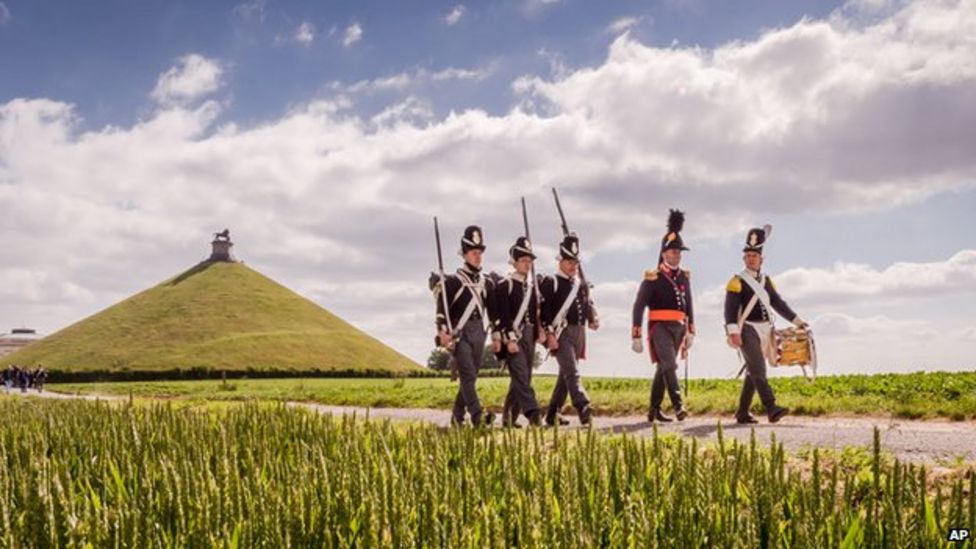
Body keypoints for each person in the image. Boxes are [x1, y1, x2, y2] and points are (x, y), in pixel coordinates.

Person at [724, 225, 808, 424]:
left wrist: (797, 321)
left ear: (762, 259)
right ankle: (771, 407)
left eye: (754, 255)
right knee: (759, 369)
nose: (751, 258)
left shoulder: (766, 281)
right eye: (748, 256)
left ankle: (743, 413)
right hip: (747, 329)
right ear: (744, 259)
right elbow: (729, 310)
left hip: (765, 330)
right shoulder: (736, 282)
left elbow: (778, 303)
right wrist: (733, 332)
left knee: (753, 372)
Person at [631, 209, 695, 423]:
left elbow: (690, 305)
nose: (676, 255)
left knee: (663, 368)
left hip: (678, 326)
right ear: (664, 254)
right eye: (673, 252)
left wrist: (691, 330)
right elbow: (638, 306)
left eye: (679, 252)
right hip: (658, 326)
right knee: (669, 364)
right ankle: (679, 405)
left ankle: (654, 409)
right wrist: (637, 335)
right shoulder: (653, 278)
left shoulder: (684, 277)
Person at [432, 225, 496, 427]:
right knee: (467, 374)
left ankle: (457, 416)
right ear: (465, 255)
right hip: (460, 334)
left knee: (471, 377)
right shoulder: (452, 282)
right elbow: (442, 311)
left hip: (479, 332)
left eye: (479, 253)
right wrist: (442, 332)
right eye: (473, 253)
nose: (477, 257)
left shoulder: (485, 283)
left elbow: (492, 311)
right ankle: (478, 415)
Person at [540, 233, 598, 426]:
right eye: (569, 262)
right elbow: (545, 312)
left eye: (575, 262)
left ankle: (551, 414)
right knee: (572, 372)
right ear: (560, 262)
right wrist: (549, 334)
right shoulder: (552, 282)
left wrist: (592, 318)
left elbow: (587, 303)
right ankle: (583, 406)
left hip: (579, 332)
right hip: (561, 334)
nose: (573, 266)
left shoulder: (579, 284)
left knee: (565, 376)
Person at [496, 236, 543, 427]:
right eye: (523, 260)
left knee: (522, 378)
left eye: (529, 260)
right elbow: (503, 315)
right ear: (514, 262)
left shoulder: (531, 288)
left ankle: (508, 418)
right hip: (513, 336)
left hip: (529, 335)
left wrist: (539, 331)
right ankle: (533, 413)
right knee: (522, 376)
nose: (527, 264)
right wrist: (509, 339)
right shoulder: (505, 285)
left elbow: (534, 313)